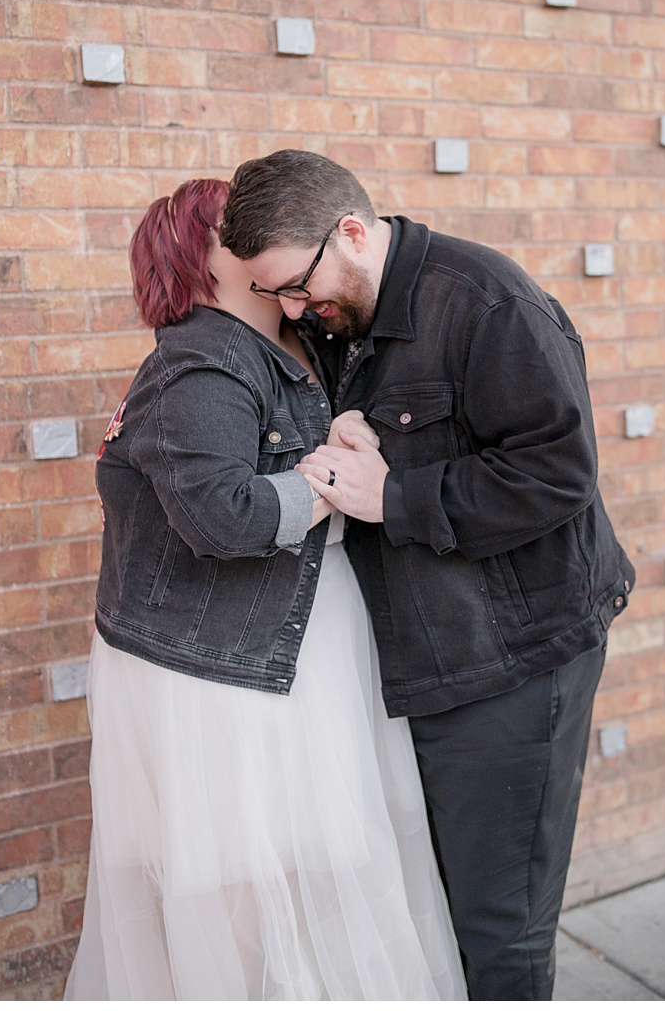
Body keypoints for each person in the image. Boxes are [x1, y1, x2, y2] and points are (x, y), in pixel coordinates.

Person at [218, 151, 636, 1000]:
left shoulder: (488, 302)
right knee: (441, 913)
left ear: (352, 232)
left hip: (514, 662)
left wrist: (396, 493)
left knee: (499, 931)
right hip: (432, 659)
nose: (294, 311)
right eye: (275, 298)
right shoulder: (343, 311)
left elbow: (559, 474)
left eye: (295, 286)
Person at [66, 179, 465, 999]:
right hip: (218, 671)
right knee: (244, 882)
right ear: (201, 258)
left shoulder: (288, 349)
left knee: (301, 866)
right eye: (231, 225)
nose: (258, 231)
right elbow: (221, 515)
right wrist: (332, 472)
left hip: (278, 647)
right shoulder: (200, 361)